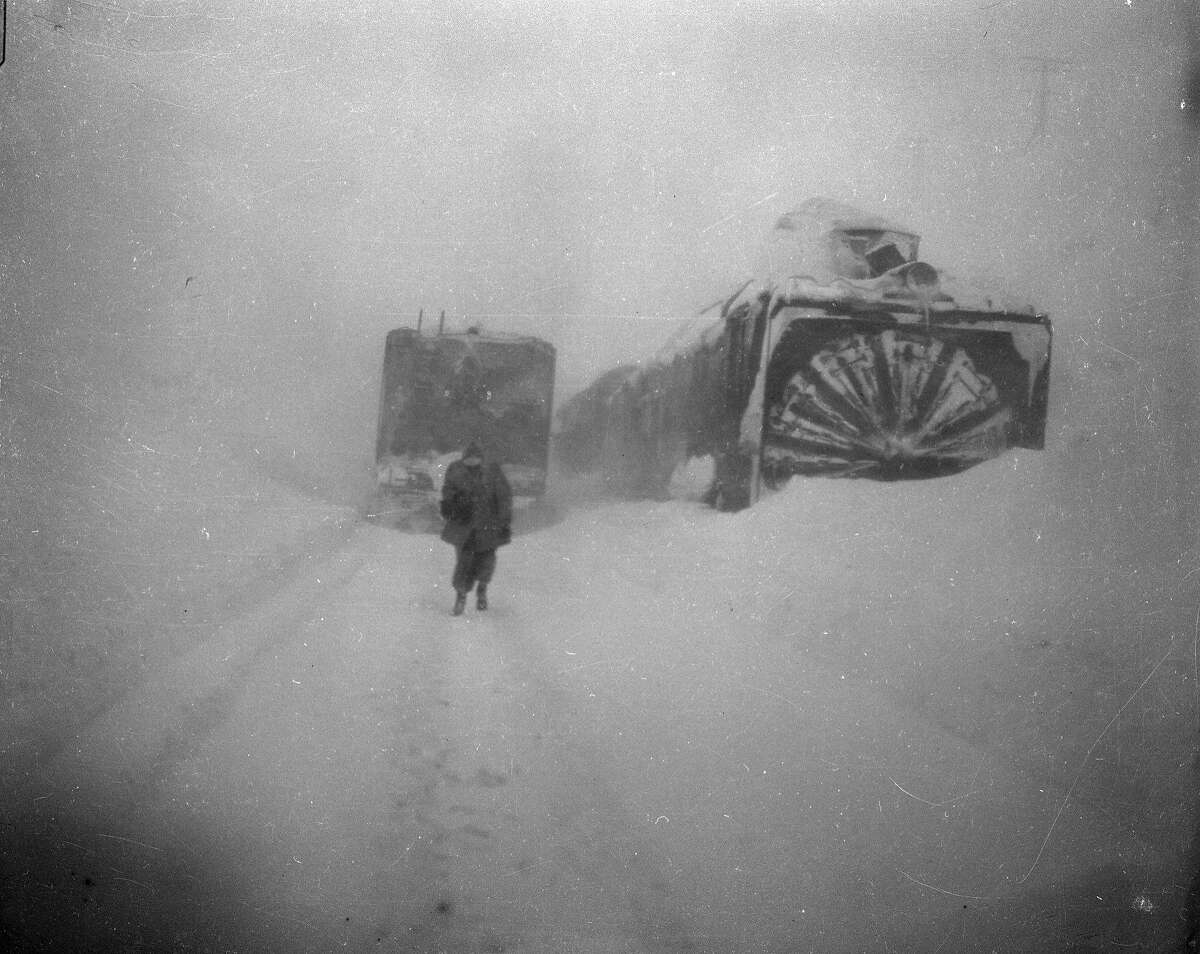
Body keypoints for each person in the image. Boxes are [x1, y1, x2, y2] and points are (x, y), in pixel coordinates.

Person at [439, 440, 513, 615]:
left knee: (486, 562)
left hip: (489, 526)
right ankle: (461, 596)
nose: (472, 462)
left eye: (475, 459)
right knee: (464, 563)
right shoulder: (456, 470)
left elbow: (504, 496)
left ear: (481, 459)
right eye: (469, 459)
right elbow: (448, 491)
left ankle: (482, 589)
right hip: (464, 527)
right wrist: (452, 505)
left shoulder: (492, 471)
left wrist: (504, 521)